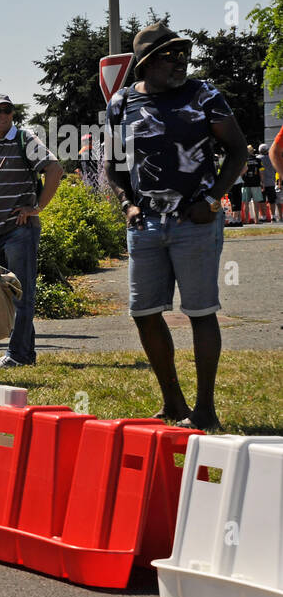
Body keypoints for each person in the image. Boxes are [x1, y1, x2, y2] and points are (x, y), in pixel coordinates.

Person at [106, 22, 249, 431]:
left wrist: (211, 199)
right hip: (145, 226)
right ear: (147, 62)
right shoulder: (121, 103)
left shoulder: (203, 95)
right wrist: (127, 204)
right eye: (171, 55)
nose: (180, 62)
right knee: (144, 313)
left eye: (184, 54)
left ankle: (205, 409)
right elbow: (115, 167)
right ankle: (173, 402)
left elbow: (238, 150)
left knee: (201, 312)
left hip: (194, 223)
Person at [0, 93, 63, 368]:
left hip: (19, 230)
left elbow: (54, 169)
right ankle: (24, 354)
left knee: (21, 295)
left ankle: (17, 355)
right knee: (8, 295)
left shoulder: (24, 138)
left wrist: (37, 207)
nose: (4, 115)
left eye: (8, 110)